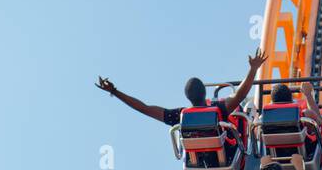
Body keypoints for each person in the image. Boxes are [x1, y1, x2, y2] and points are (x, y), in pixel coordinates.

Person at [95, 52, 265, 127]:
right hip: (227, 155)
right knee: (246, 107)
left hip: (199, 163)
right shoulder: (219, 109)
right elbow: (241, 92)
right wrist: (253, 69)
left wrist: (115, 92)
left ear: (188, 98)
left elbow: (143, 108)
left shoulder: (180, 116)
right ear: (204, 94)